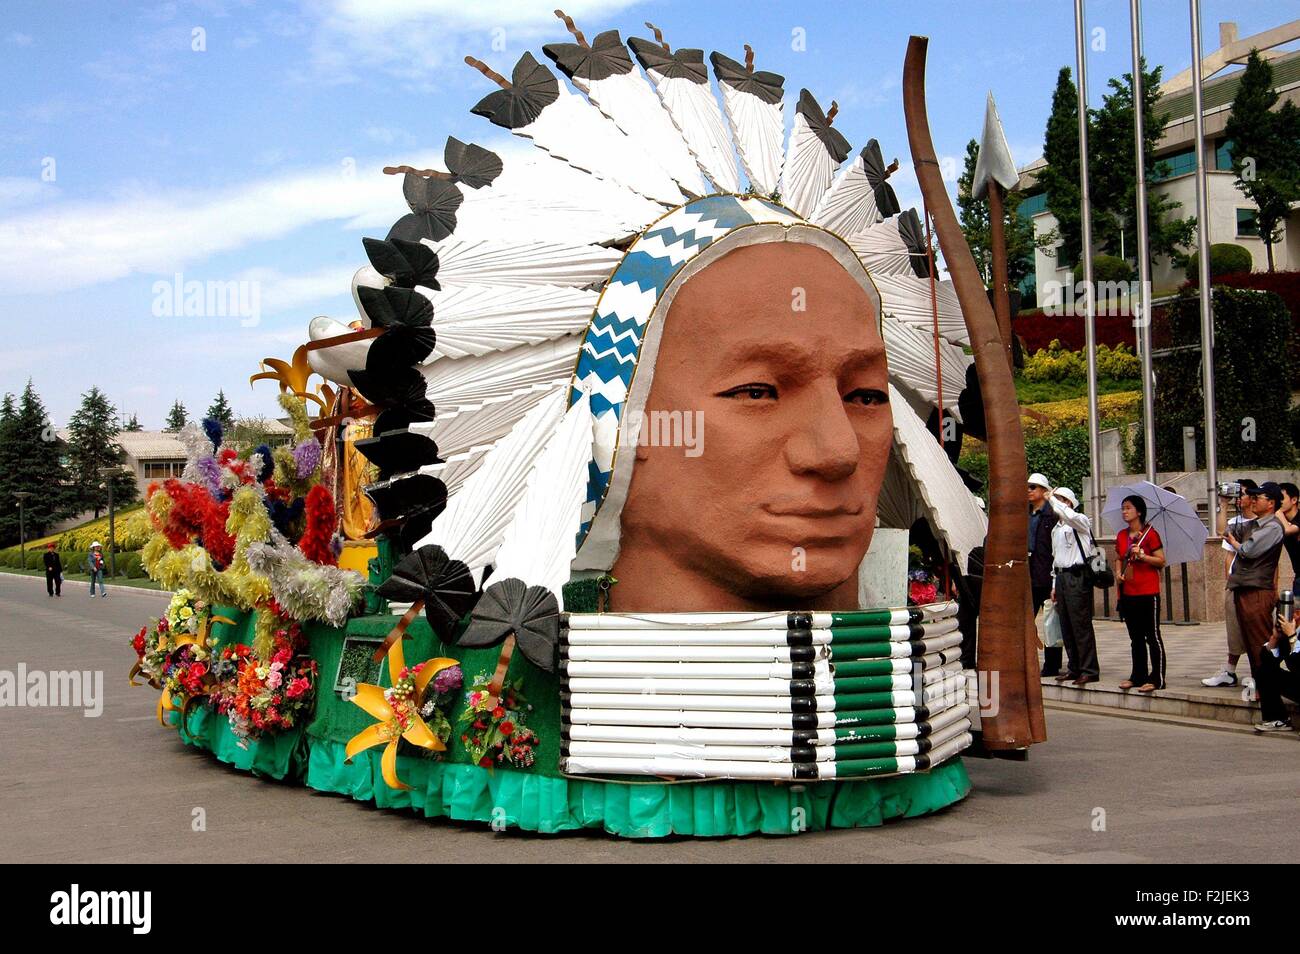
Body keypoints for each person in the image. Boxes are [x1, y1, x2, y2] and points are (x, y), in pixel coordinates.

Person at [1225, 482, 1287, 685]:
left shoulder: (1272, 527)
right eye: (1251, 496)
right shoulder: (1256, 524)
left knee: (1261, 643)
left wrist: (1235, 544)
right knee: (1252, 644)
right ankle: (1262, 686)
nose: (1252, 501)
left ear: (1271, 503)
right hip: (1245, 590)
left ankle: (1268, 689)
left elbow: (1247, 550)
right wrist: (1224, 504)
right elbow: (1223, 530)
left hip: (1258, 592)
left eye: (1257, 497)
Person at [1202, 479, 1258, 688]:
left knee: (1255, 631)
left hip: (1255, 583)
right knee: (1234, 630)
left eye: (1241, 493)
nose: (1239, 497)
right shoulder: (1235, 523)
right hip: (1236, 584)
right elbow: (1221, 535)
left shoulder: (1263, 523)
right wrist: (1223, 504)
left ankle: (1257, 672)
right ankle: (1229, 670)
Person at [1045, 486, 1099, 686]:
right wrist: (1053, 584)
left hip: (1077, 576)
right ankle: (1074, 667)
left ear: (1068, 502)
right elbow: (1055, 559)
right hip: (1061, 577)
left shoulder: (1080, 522)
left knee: (1080, 624)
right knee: (1066, 625)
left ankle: (1089, 669)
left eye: (1059, 499)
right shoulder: (1055, 530)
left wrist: (1052, 498)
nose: (1054, 503)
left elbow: (1069, 516)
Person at [1115, 495, 1167, 692]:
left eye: (1128, 508)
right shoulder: (1121, 535)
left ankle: (1157, 678)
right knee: (1135, 637)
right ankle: (1137, 675)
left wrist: (1143, 555)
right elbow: (1119, 558)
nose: (1124, 512)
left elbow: (1161, 560)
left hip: (1148, 591)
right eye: (1122, 508)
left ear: (1139, 511)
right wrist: (1118, 573)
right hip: (1129, 591)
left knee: (1152, 636)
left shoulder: (1150, 534)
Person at [1027, 473, 1061, 676]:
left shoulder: (1053, 515)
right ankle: (1026, 661)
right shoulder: (1024, 513)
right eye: (1028, 487)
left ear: (1044, 491)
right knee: (1024, 621)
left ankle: (1052, 664)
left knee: (1051, 623)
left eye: (1034, 487)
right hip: (1029, 575)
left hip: (1047, 575)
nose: (1029, 490)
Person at [1254, 607, 1299, 732]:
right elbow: (1266, 661)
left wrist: (1292, 636)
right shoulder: (1288, 633)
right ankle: (1278, 719)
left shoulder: (1292, 633)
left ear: (1297, 614)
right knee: (1264, 671)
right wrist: (1274, 638)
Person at [1277, 481, 1299, 598]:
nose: (1279, 502)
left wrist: (1277, 511)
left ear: (1294, 500)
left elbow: (1288, 530)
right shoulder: (1281, 520)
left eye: (1282, 498)